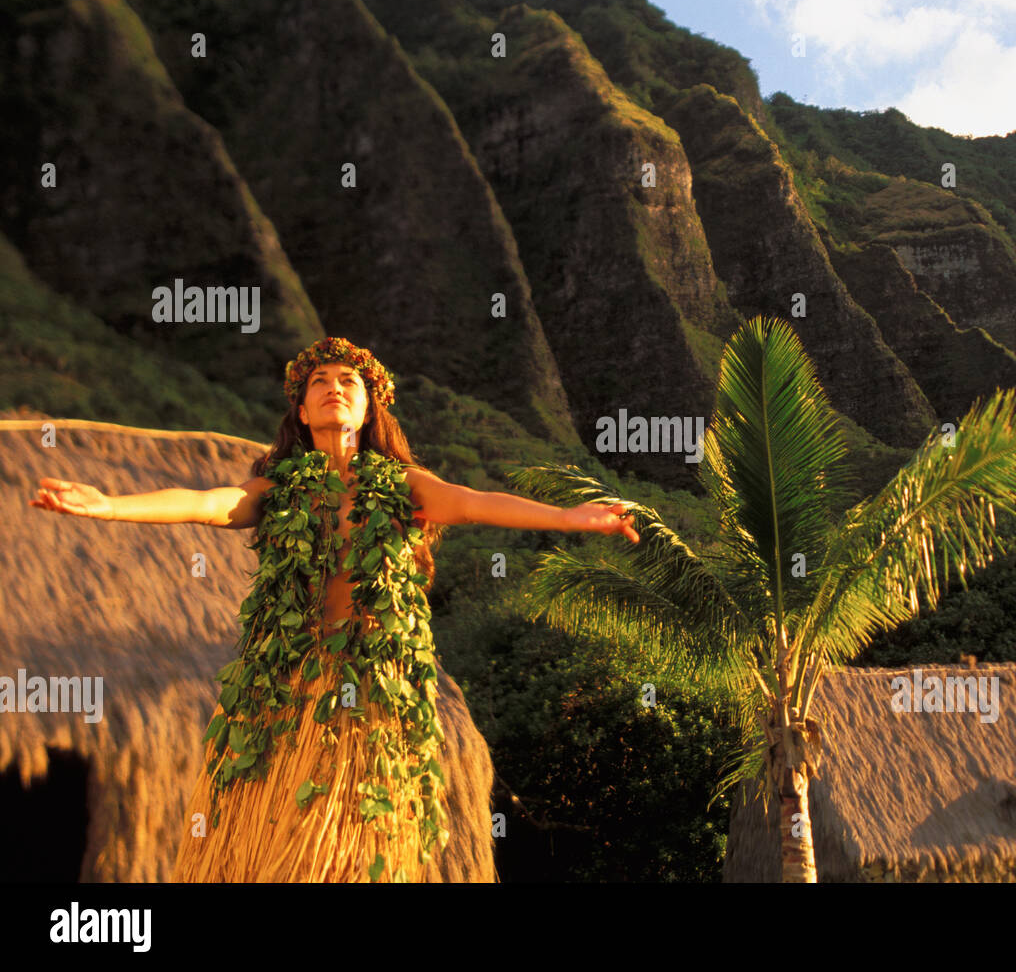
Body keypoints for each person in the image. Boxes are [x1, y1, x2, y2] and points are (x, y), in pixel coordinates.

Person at [30, 336, 638, 881]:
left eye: (349, 382)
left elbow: (475, 501)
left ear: (370, 407)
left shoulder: (403, 485)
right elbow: (208, 502)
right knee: (265, 844)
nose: (333, 389)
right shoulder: (276, 489)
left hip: (371, 693)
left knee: (342, 851)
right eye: (319, 382)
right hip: (282, 694)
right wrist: (111, 505)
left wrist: (567, 517)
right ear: (301, 410)